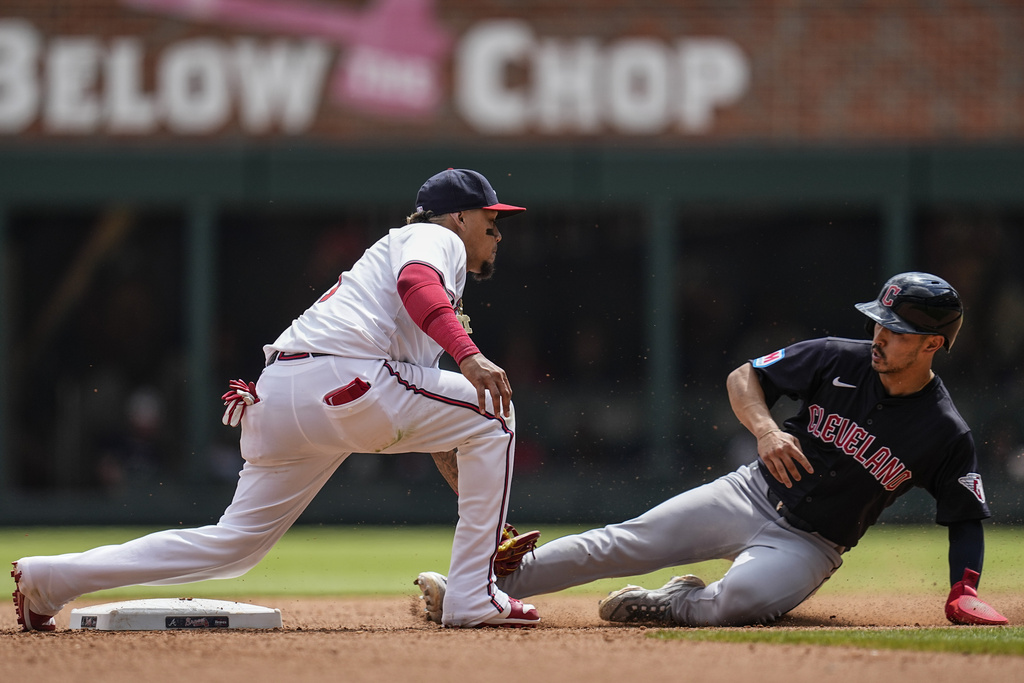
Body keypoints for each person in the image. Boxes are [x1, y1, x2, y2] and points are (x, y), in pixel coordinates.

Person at [12, 168, 540, 631]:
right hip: (346, 378)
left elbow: (437, 429)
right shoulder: (433, 237)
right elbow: (416, 282)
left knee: (235, 546)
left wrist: (487, 525)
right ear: (457, 217)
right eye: (489, 218)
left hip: (281, 394)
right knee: (496, 407)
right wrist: (470, 357)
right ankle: (471, 595)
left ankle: (51, 580)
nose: (497, 231)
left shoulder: (406, 279)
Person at [415, 272, 1007, 627]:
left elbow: (964, 516)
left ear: (932, 343)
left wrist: (965, 589)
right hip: (750, 492)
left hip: (811, 542)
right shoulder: (839, 356)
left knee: (739, 603)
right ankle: (480, 593)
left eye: (896, 330)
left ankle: (675, 604)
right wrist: (767, 430)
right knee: (623, 541)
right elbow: (743, 378)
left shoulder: (943, 430)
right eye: (878, 320)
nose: (879, 335)